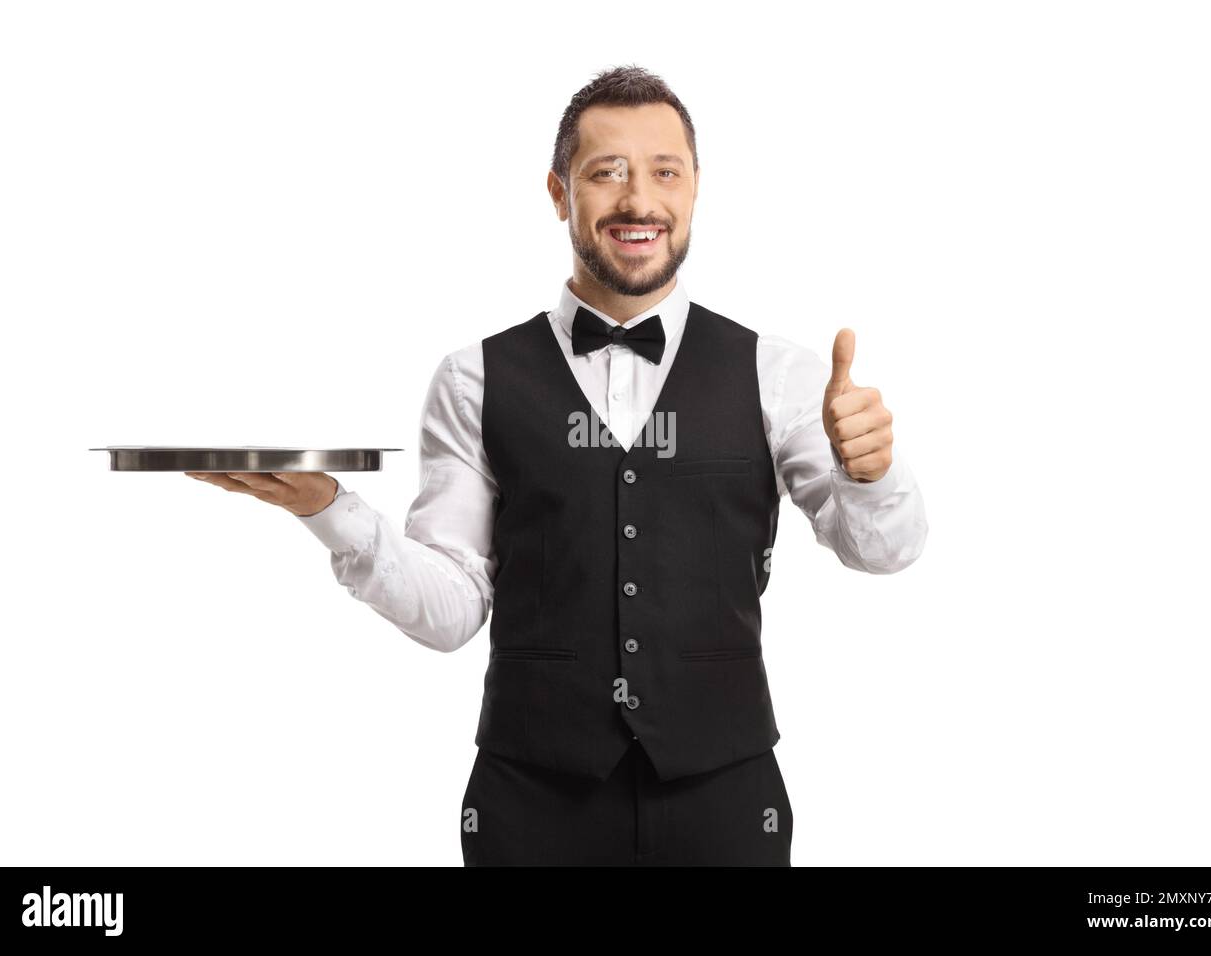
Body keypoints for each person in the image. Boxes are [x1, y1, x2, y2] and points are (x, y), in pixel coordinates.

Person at [186, 64, 928, 866]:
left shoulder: (775, 373)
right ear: (557, 191)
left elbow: (882, 550)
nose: (638, 200)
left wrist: (873, 472)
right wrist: (328, 509)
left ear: (695, 189)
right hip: (531, 802)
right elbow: (452, 610)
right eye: (606, 172)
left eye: (663, 172)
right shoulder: (473, 377)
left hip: (725, 794)